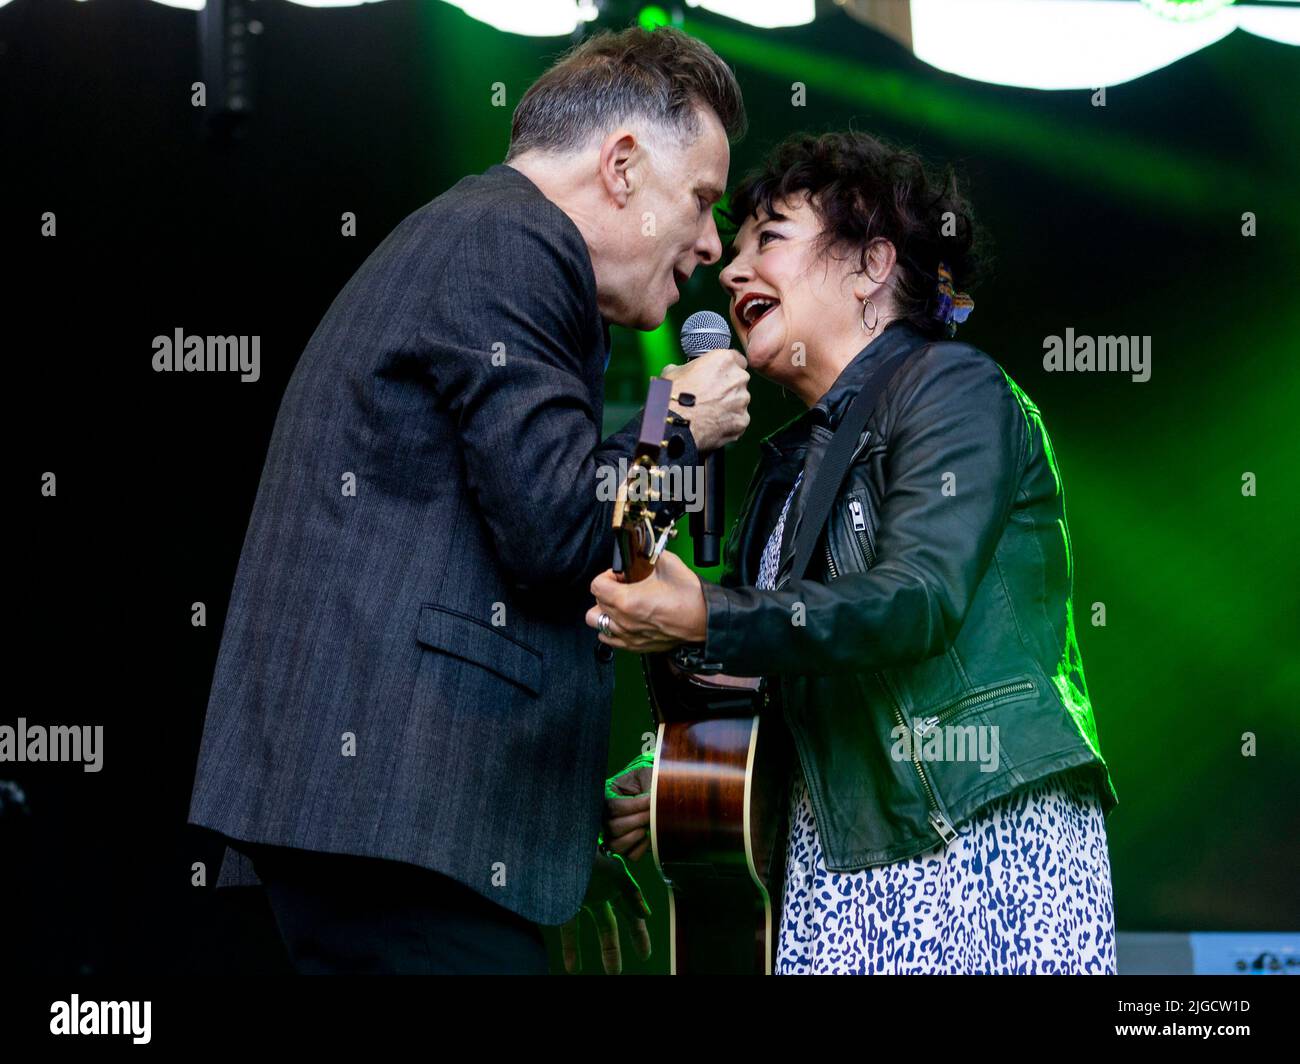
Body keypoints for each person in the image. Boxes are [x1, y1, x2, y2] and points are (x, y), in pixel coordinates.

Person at [186, 26, 752, 975]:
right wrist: (676, 417)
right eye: (700, 200)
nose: (709, 243)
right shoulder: (514, 241)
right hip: (400, 823)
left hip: (392, 824)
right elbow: (557, 527)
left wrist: (557, 847)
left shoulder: (483, 235)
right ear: (620, 166)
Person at [590, 130, 1120, 974]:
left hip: (963, 827)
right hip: (835, 850)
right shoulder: (789, 462)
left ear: (873, 264)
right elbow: (759, 662)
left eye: (768, 238)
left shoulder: (952, 388)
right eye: (731, 250)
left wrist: (703, 613)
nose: (729, 273)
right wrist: (671, 771)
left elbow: (916, 598)